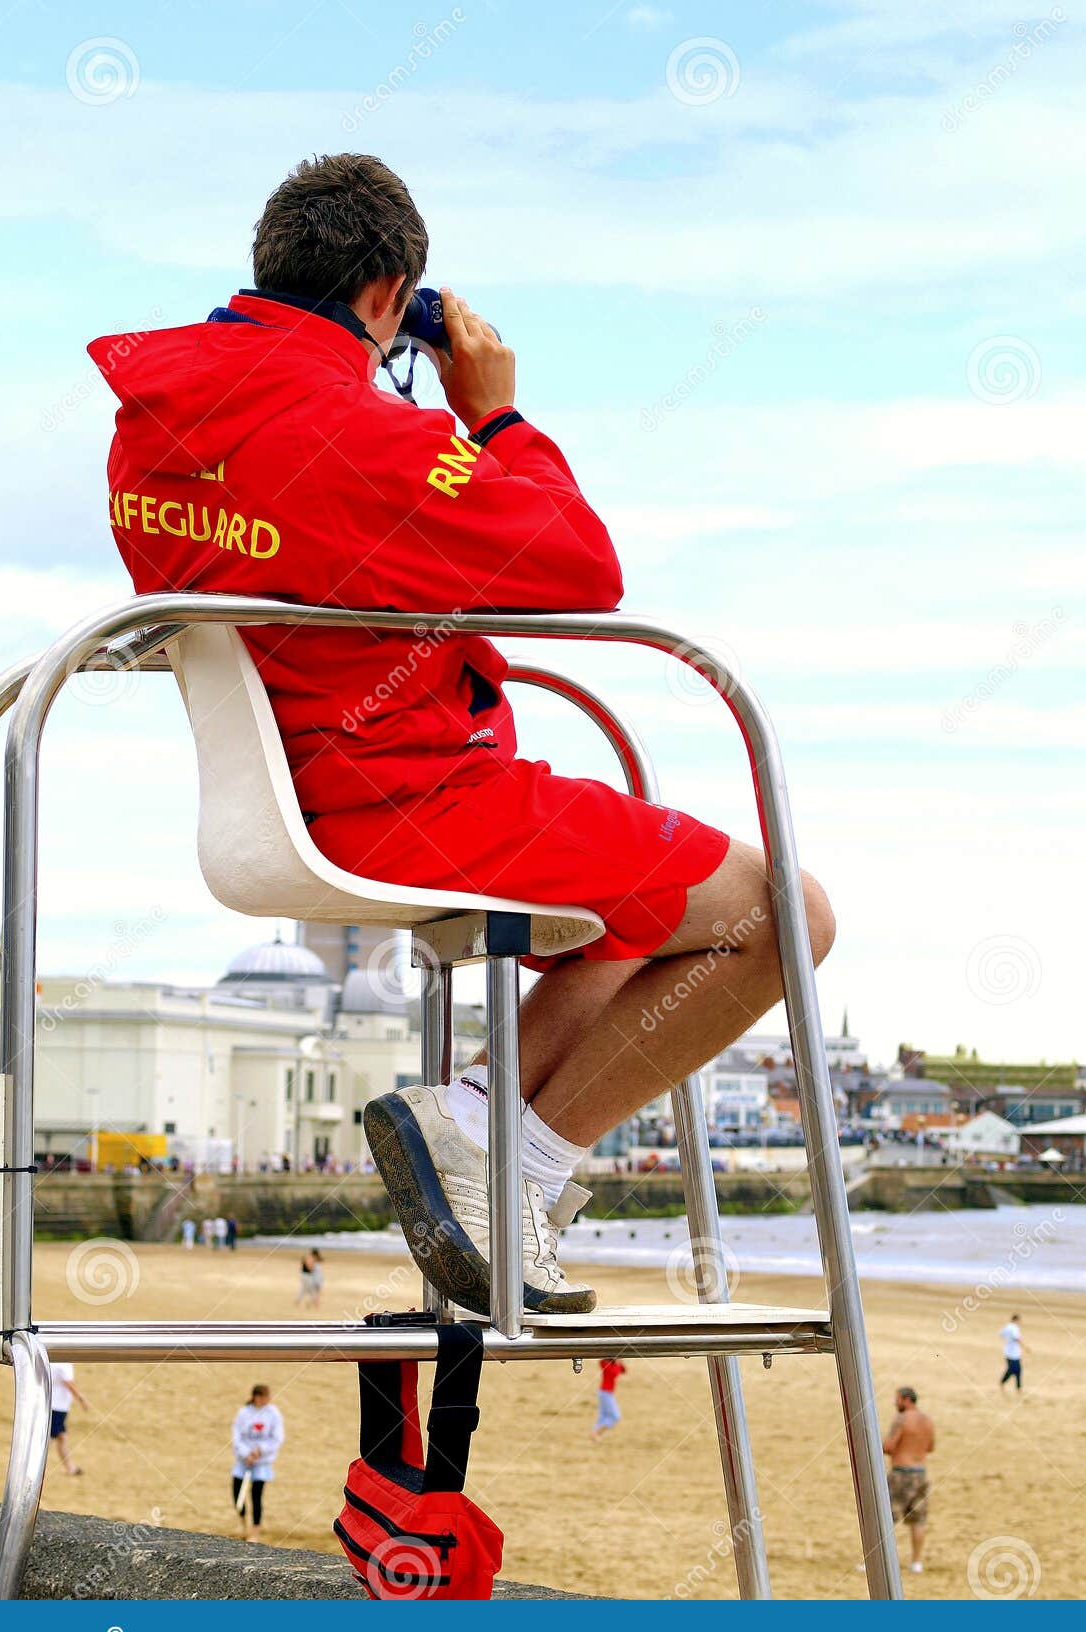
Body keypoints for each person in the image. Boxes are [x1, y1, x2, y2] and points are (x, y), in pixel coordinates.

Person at [90, 154, 836, 1320]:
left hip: (278, 806)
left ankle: (498, 1160)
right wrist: (491, 411)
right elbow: (580, 564)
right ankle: (504, 1154)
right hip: (405, 799)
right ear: (392, 295)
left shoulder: (150, 429)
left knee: (637, 910)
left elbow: (316, 558)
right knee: (781, 911)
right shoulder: (362, 440)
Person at [882, 1386, 935, 1574]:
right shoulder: (928, 1420)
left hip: (901, 1474)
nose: (894, 1403)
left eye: (897, 1399)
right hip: (920, 1473)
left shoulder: (901, 1419)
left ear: (906, 1400)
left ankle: (878, 1561)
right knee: (918, 1520)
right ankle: (916, 1562)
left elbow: (889, 1446)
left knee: (885, 1518)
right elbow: (930, 1447)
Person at [231, 1384, 284, 1543]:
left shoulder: (273, 1413)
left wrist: (260, 1451)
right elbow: (237, 1436)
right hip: (243, 1461)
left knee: (256, 1496)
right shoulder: (244, 1413)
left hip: (261, 1462)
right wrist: (246, 1454)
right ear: (256, 1397)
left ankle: (255, 1530)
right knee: (237, 1494)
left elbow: (277, 1437)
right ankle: (243, 1525)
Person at [49, 1361, 91, 1476]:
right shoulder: (64, 1364)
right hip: (57, 1406)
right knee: (48, 1440)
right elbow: (69, 1383)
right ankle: (31, 1465)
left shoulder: (56, 1361)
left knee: (61, 1437)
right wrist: (82, 1399)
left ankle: (70, 1468)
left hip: (57, 1405)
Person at [592, 1358, 626, 1441]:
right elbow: (614, 1373)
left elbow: (624, 1371)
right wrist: (618, 1362)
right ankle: (596, 1433)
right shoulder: (605, 1363)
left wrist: (619, 1362)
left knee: (603, 1416)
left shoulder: (613, 1364)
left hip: (607, 1393)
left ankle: (595, 1434)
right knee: (615, 1416)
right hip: (605, 1393)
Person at [1000, 1313, 1025, 1391]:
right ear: (1016, 1320)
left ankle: (1018, 1388)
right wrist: (1025, 1347)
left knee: (1016, 1370)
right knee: (1013, 1370)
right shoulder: (1014, 1327)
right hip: (1013, 1353)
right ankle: (1002, 1382)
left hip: (1008, 1352)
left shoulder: (1007, 1326)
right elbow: (1016, 1338)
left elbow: (1001, 1335)